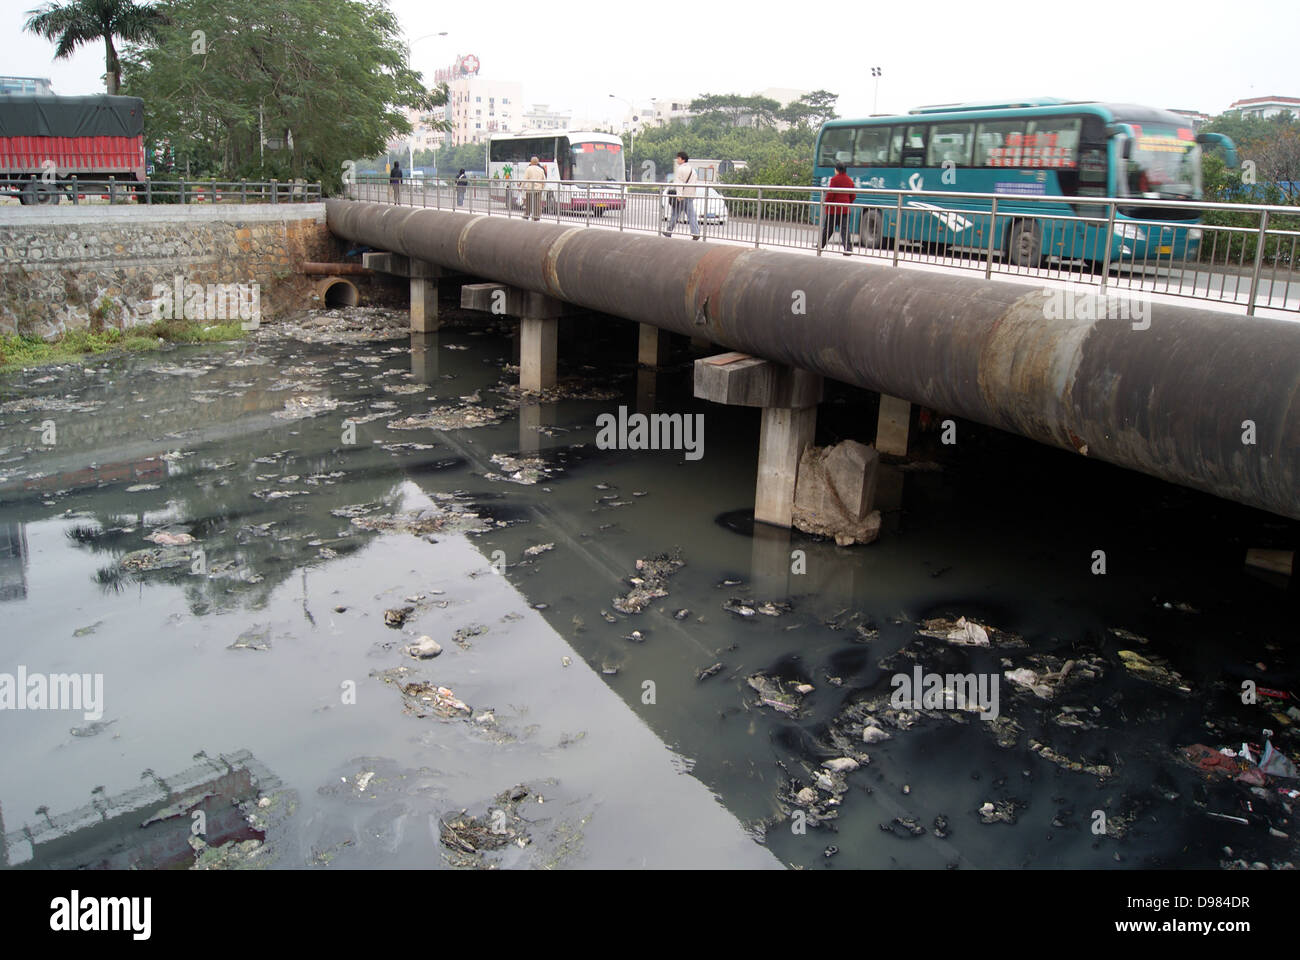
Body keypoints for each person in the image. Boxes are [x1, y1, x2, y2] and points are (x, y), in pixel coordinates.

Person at [663, 151, 701, 240]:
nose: (677, 160)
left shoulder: (680, 169)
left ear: (682, 159)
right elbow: (694, 183)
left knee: (675, 214)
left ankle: (669, 231)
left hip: (681, 196)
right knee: (691, 215)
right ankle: (695, 233)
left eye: (678, 158)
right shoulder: (692, 170)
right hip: (689, 196)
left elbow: (679, 183)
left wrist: (679, 195)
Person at [821, 160, 856, 255]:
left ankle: (820, 246)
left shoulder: (834, 180)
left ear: (837, 170)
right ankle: (847, 249)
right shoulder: (849, 180)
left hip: (834, 209)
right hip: (845, 209)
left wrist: (826, 203)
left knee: (828, 229)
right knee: (845, 230)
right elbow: (853, 195)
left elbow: (830, 194)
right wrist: (848, 203)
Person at [522, 156, 546, 220]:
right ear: (537, 162)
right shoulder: (541, 170)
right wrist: (542, 188)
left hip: (530, 189)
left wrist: (521, 188)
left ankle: (527, 215)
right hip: (538, 189)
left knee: (528, 203)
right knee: (537, 204)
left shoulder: (528, 169)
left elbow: (525, 179)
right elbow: (544, 180)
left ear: (531, 162)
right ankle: (536, 216)